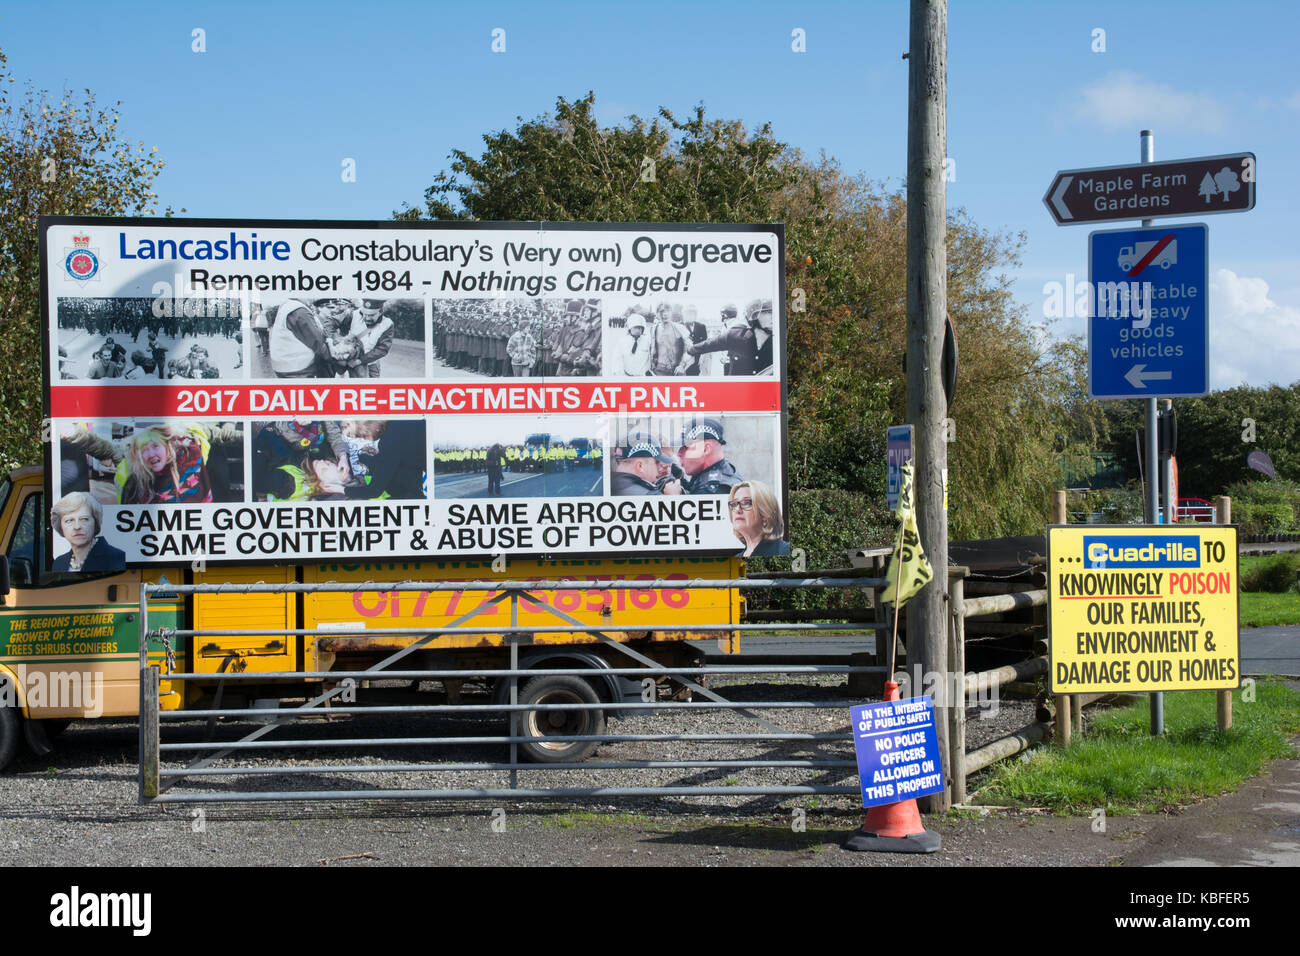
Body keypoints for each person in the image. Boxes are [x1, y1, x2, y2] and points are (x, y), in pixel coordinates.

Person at [50, 492, 126, 573]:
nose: (77, 527)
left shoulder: (115, 557)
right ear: (60, 526)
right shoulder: (59, 562)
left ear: (95, 522)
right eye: (69, 521)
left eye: (84, 519)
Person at [687, 303, 759, 376]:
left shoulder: (733, 328)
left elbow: (715, 342)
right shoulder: (735, 325)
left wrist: (692, 349)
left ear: (724, 315)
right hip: (732, 361)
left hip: (733, 363)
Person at [270, 298, 334, 378]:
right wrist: (335, 358)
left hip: (286, 365)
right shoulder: (299, 311)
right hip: (298, 369)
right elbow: (317, 342)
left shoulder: (287, 307)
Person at [678, 417, 743, 494]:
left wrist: (674, 498)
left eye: (685, 448)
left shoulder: (710, 490)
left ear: (705, 449)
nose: (678, 454)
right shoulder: (724, 470)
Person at [729, 480, 787, 557]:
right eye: (734, 504)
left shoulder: (784, 550)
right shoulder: (735, 559)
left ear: (765, 512)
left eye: (746, 502)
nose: (737, 510)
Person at [343, 298, 395, 378]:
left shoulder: (387, 324)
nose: (367, 318)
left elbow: (382, 349)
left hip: (371, 363)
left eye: (371, 315)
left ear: (380, 312)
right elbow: (334, 323)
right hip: (353, 362)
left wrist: (360, 361)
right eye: (365, 314)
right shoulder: (354, 315)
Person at [612, 434, 678, 495]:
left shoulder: (608, 486)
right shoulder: (650, 496)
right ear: (640, 466)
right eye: (657, 462)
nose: (658, 468)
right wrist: (673, 497)